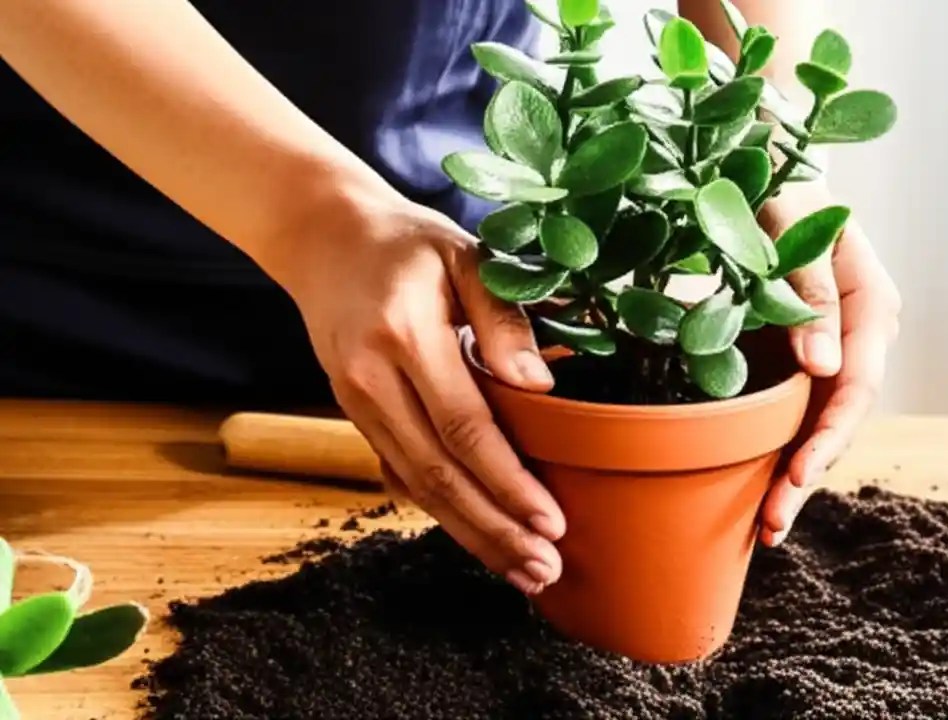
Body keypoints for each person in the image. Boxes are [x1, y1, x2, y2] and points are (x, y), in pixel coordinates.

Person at [0, 0, 901, 595]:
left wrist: (762, 119)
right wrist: (311, 214)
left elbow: (743, 72)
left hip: (462, 275)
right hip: (56, 281)